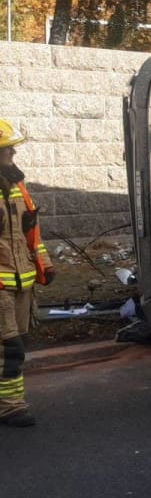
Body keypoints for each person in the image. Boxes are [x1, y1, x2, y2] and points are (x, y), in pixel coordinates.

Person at [0, 119, 54, 427]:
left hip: (21, 281)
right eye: (8, 152)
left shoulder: (19, 188)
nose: (13, 157)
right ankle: (10, 408)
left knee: (15, 343)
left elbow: (30, 232)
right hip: (1, 285)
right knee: (11, 349)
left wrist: (43, 263)